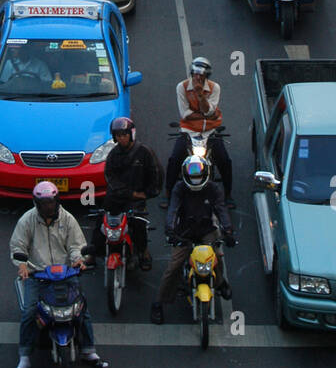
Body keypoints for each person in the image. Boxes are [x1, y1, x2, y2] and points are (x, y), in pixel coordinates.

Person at [9, 181, 110, 368]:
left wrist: (78, 261)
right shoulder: (27, 221)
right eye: (43, 203)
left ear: (57, 201)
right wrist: (21, 265)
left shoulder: (68, 219)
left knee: (83, 311)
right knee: (29, 311)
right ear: (37, 203)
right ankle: (24, 356)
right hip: (38, 274)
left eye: (50, 203)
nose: (48, 207)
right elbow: (18, 246)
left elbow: (76, 245)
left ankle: (89, 350)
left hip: (66, 274)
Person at [150, 155, 235, 325]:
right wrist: (170, 232)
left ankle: (220, 282)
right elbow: (172, 211)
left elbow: (221, 210)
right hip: (184, 232)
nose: (195, 178)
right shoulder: (179, 189)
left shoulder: (213, 189)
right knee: (174, 266)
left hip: (206, 230)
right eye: (192, 174)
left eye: (198, 174)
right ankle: (158, 303)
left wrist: (228, 230)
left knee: (217, 256)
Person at [164, 57, 234, 207]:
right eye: (195, 74)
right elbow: (185, 114)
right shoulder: (181, 87)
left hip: (210, 131)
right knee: (174, 159)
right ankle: (168, 193)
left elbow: (209, 110)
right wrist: (205, 115)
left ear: (206, 76)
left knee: (225, 161)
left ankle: (228, 194)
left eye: (201, 75)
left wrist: (201, 95)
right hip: (188, 131)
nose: (197, 77)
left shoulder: (215, 88)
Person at [91, 115, 159, 270]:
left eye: (124, 135)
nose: (121, 138)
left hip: (137, 198)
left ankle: (143, 252)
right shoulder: (113, 155)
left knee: (139, 223)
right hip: (117, 196)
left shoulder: (144, 152)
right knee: (101, 218)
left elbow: (155, 174)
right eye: (118, 136)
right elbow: (110, 177)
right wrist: (128, 193)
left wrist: (149, 193)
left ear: (131, 134)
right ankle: (93, 252)